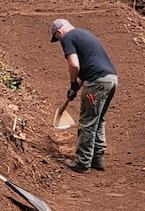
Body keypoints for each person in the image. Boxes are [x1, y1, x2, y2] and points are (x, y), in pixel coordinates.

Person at [50, 18, 118, 174]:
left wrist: (73, 81)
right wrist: (74, 88)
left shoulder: (67, 37)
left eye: (57, 38)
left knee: (87, 122)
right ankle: (97, 158)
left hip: (97, 82)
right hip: (111, 80)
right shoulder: (84, 35)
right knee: (98, 119)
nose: (59, 41)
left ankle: (82, 162)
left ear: (59, 32)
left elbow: (74, 65)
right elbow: (88, 67)